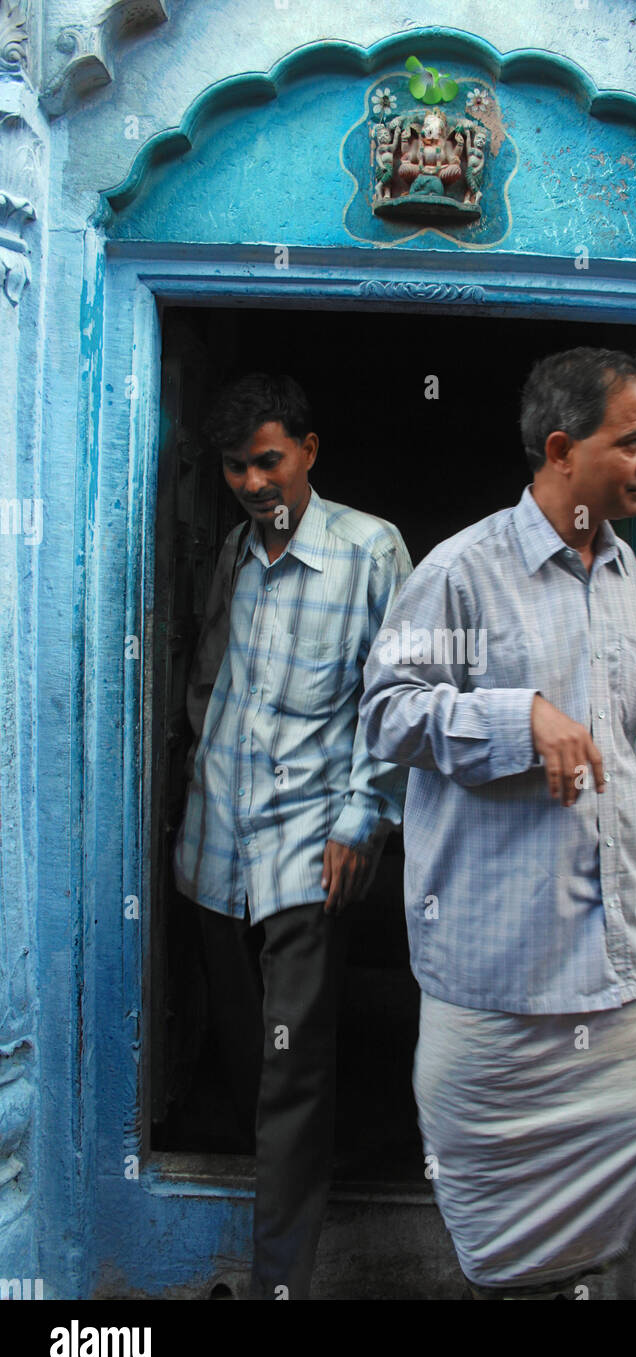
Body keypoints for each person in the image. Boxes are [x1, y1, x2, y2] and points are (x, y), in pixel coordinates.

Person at [359, 346, 636, 1300]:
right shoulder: (462, 574)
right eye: (633, 442)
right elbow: (387, 714)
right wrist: (515, 715)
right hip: (500, 973)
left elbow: (595, 717)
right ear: (562, 449)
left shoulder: (621, 574)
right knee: (509, 1246)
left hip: (616, 958)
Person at [173, 372, 412, 1300]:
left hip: (310, 857)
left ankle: (281, 1283)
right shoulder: (235, 546)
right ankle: (269, 1180)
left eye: (267, 460)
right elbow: (209, 680)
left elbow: (397, 705)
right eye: (235, 466)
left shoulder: (370, 550)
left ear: (309, 451)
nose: (251, 481)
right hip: (213, 848)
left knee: (291, 1071)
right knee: (245, 1057)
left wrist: (363, 822)